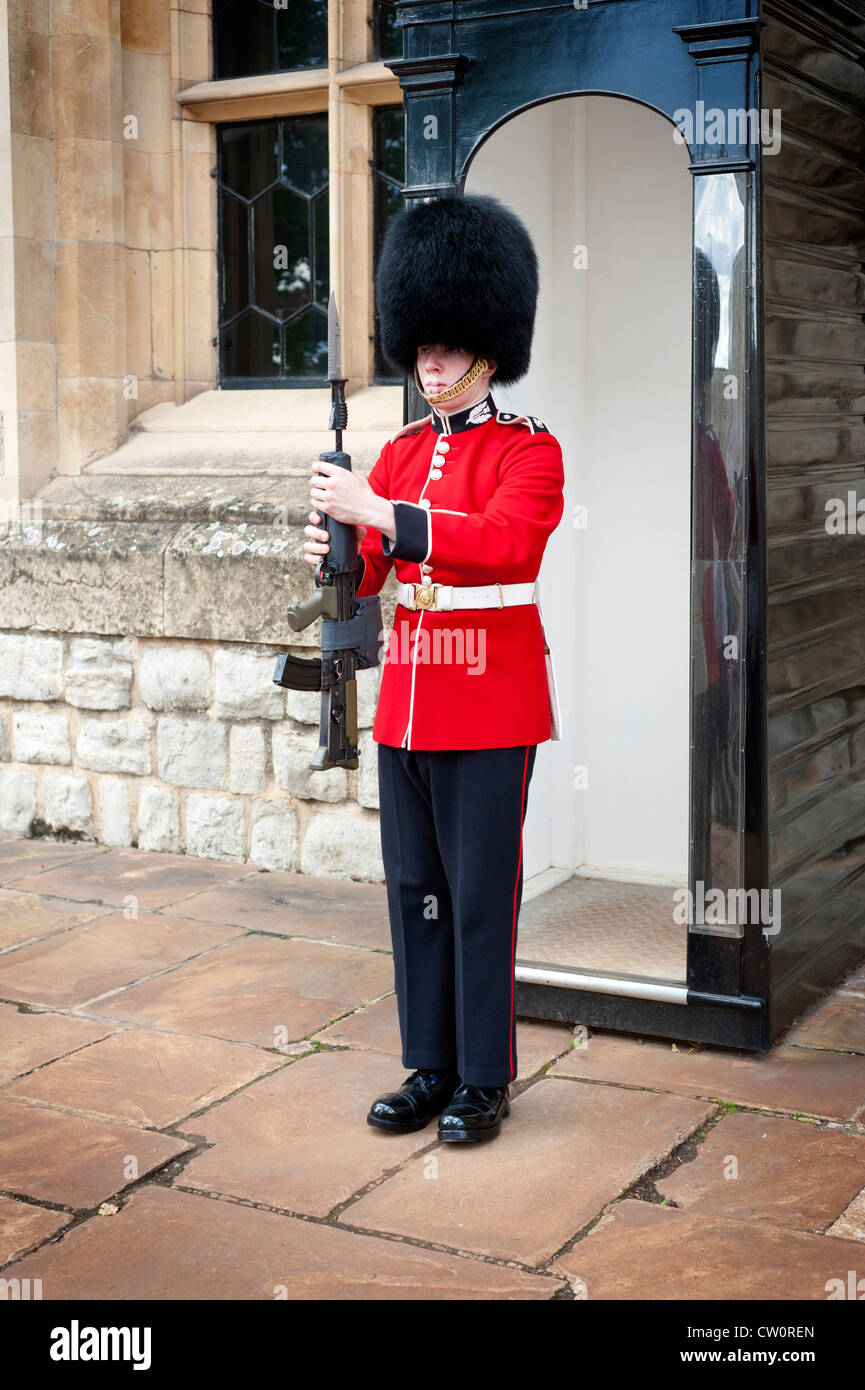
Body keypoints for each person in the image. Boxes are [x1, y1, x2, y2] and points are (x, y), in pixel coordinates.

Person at [302, 191, 564, 1142]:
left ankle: (486, 1080)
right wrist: (337, 548)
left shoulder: (530, 452)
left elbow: (501, 547)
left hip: (491, 709)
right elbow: (377, 567)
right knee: (414, 894)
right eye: (420, 350)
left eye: (446, 350)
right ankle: (431, 1066)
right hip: (406, 708)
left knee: (480, 899)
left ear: (488, 353)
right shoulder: (402, 452)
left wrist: (375, 515)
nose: (430, 364)